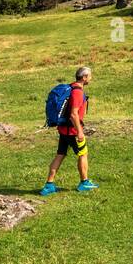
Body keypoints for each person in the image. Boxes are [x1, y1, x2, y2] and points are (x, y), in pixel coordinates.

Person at [40, 66, 98, 195]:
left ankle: (49, 186)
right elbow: (73, 114)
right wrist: (80, 132)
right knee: (83, 154)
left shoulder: (70, 87)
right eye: (89, 76)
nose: (91, 78)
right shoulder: (77, 92)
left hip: (63, 129)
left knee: (60, 154)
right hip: (72, 131)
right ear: (84, 77)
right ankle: (84, 183)